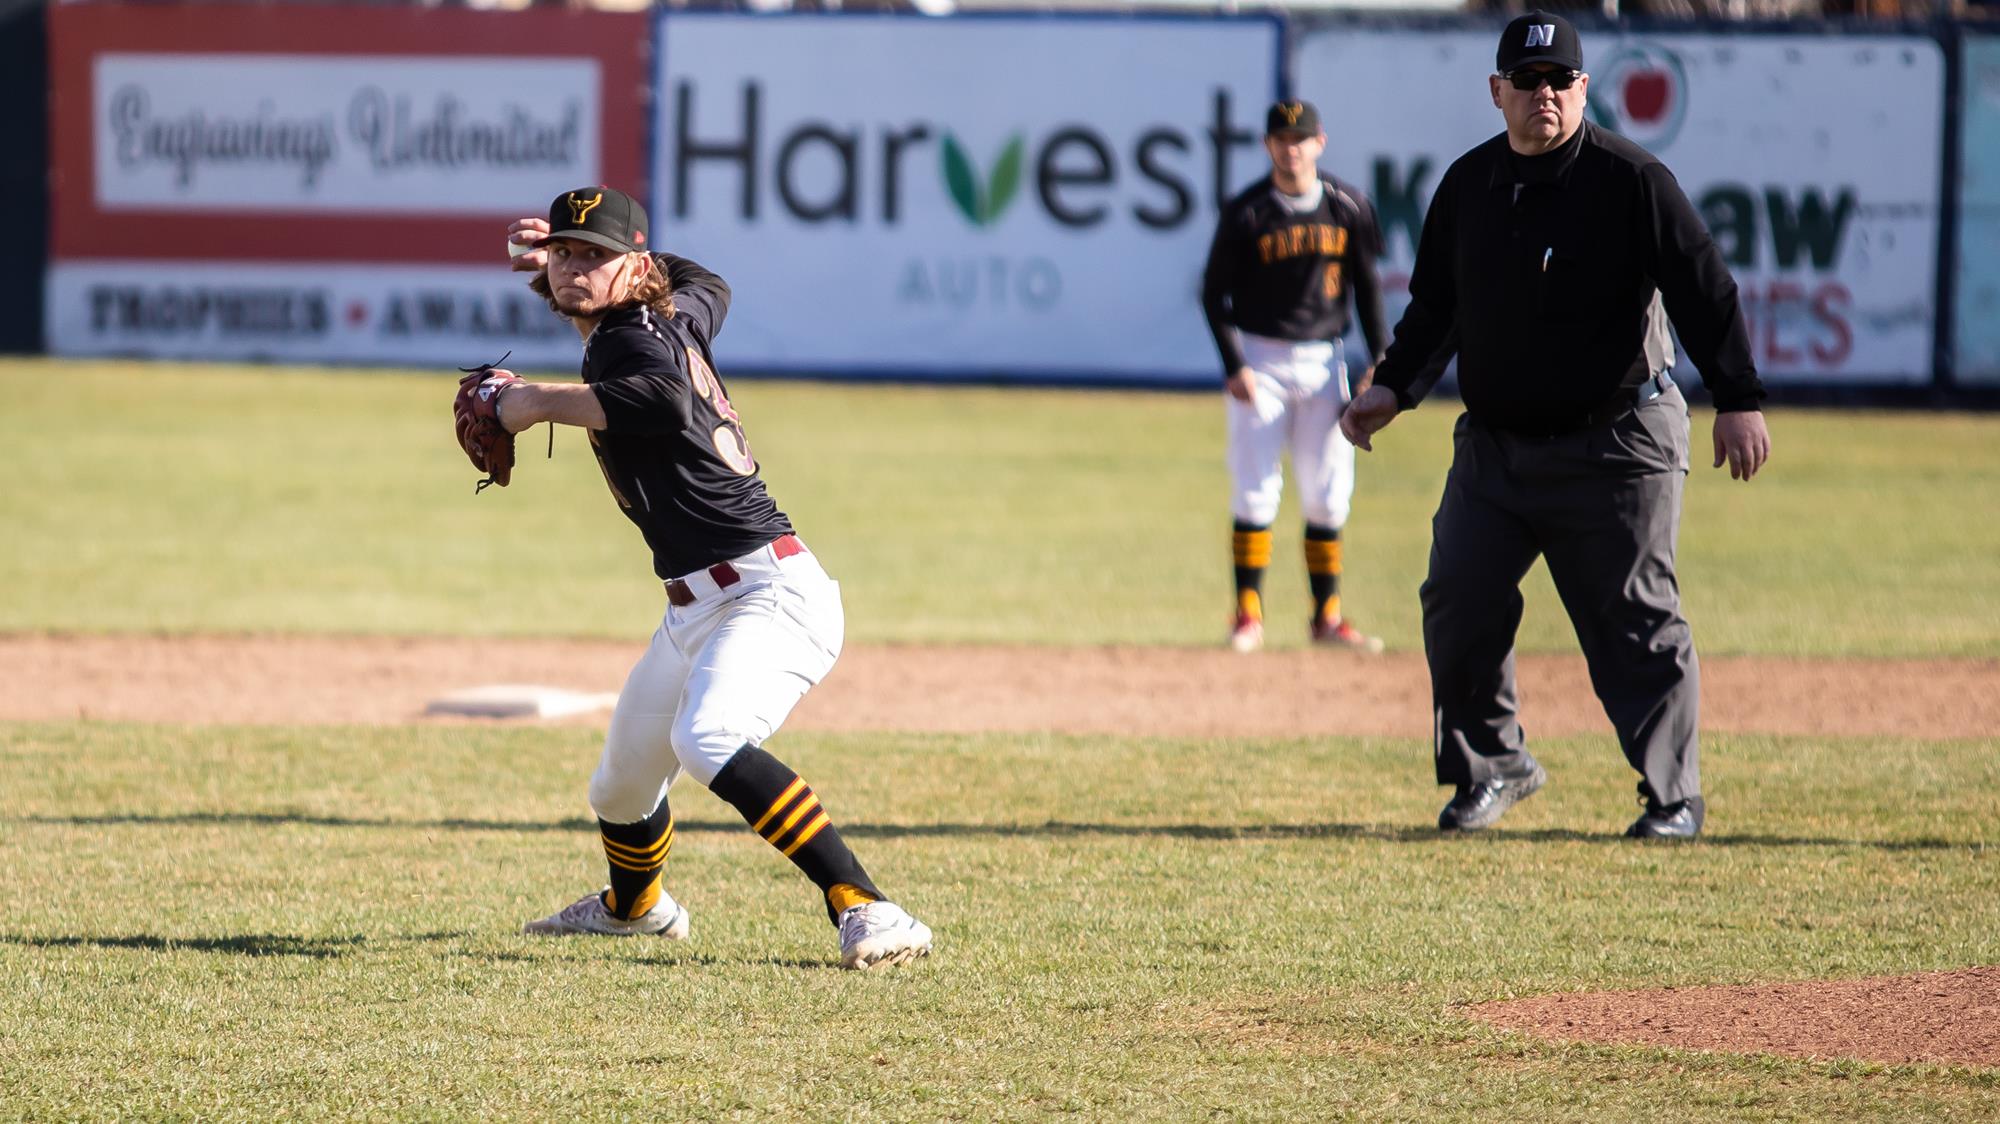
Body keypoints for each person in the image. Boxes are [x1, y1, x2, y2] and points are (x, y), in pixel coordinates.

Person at [1340, 11, 1771, 838]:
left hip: (1620, 438)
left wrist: (1738, 398)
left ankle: (1673, 796)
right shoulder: (1469, 186)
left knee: (1633, 616)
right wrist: (1391, 388)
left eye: (1561, 81)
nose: (1545, 94)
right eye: (1527, 82)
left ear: (1583, 89)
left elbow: (1703, 286)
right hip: (1498, 447)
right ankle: (1491, 766)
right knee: (1458, 598)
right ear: (1496, 92)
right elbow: (1437, 308)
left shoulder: (1631, 178)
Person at [477, 185, 933, 968]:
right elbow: (712, 283)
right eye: (563, 252)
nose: (574, 267)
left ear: (636, 268)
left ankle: (869, 907)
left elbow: (658, 401)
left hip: (770, 594)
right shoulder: (673, 313)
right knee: (619, 787)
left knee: (709, 738)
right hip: (699, 606)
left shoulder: (632, 338)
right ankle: (636, 909)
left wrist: (530, 403)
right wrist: (624, 259)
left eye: (595, 255)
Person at [1201, 99, 1390, 655]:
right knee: (1255, 490)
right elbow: (1213, 294)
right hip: (1261, 358)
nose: (1291, 147)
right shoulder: (1247, 212)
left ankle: (1326, 616)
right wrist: (1234, 363)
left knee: (1329, 496)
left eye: (1301, 138)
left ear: (1320, 142)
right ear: (1267, 145)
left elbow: (1368, 286)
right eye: (1281, 138)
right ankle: (1247, 615)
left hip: (1325, 358)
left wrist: (1378, 357)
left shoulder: (1347, 205)